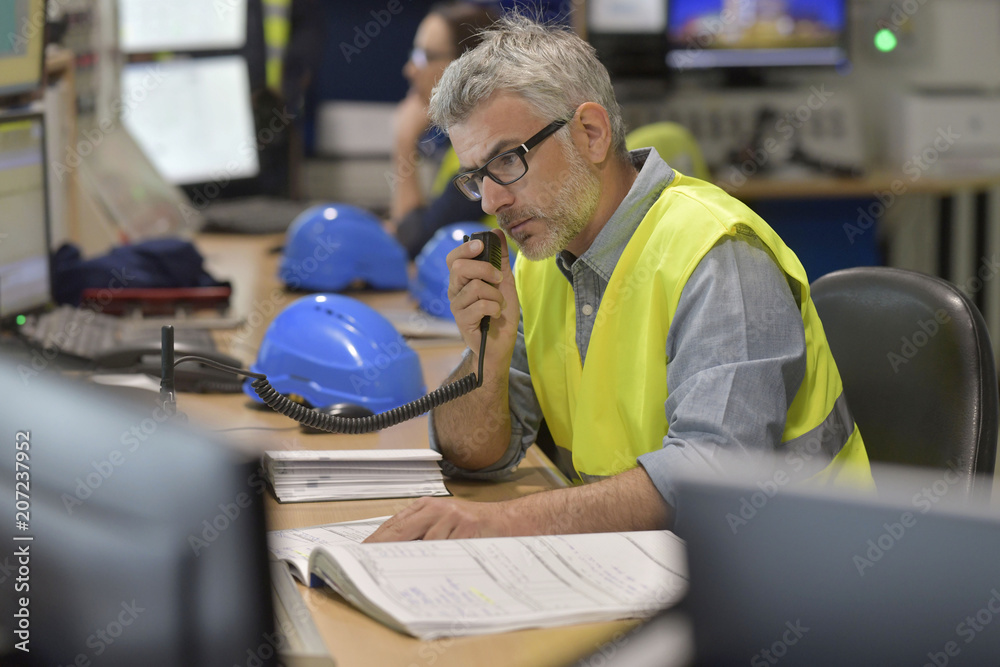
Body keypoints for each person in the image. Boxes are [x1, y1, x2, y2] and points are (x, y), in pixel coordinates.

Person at [366, 14, 872, 542]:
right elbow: (473, 456)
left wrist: (503, 522)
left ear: (591, 132)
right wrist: (485, 359)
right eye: (475, 178)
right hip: (642, 563)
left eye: (508, 161)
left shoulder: (718, 253)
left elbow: (709, 481)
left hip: (799, 581)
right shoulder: (541, 260)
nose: (492, 200)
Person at [387, 1, 499, 258]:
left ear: (464, 66)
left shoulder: (489, 150)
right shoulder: (461, 141)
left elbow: (414, 244)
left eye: (424, 57)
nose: (410, 70)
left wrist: (403, 141)